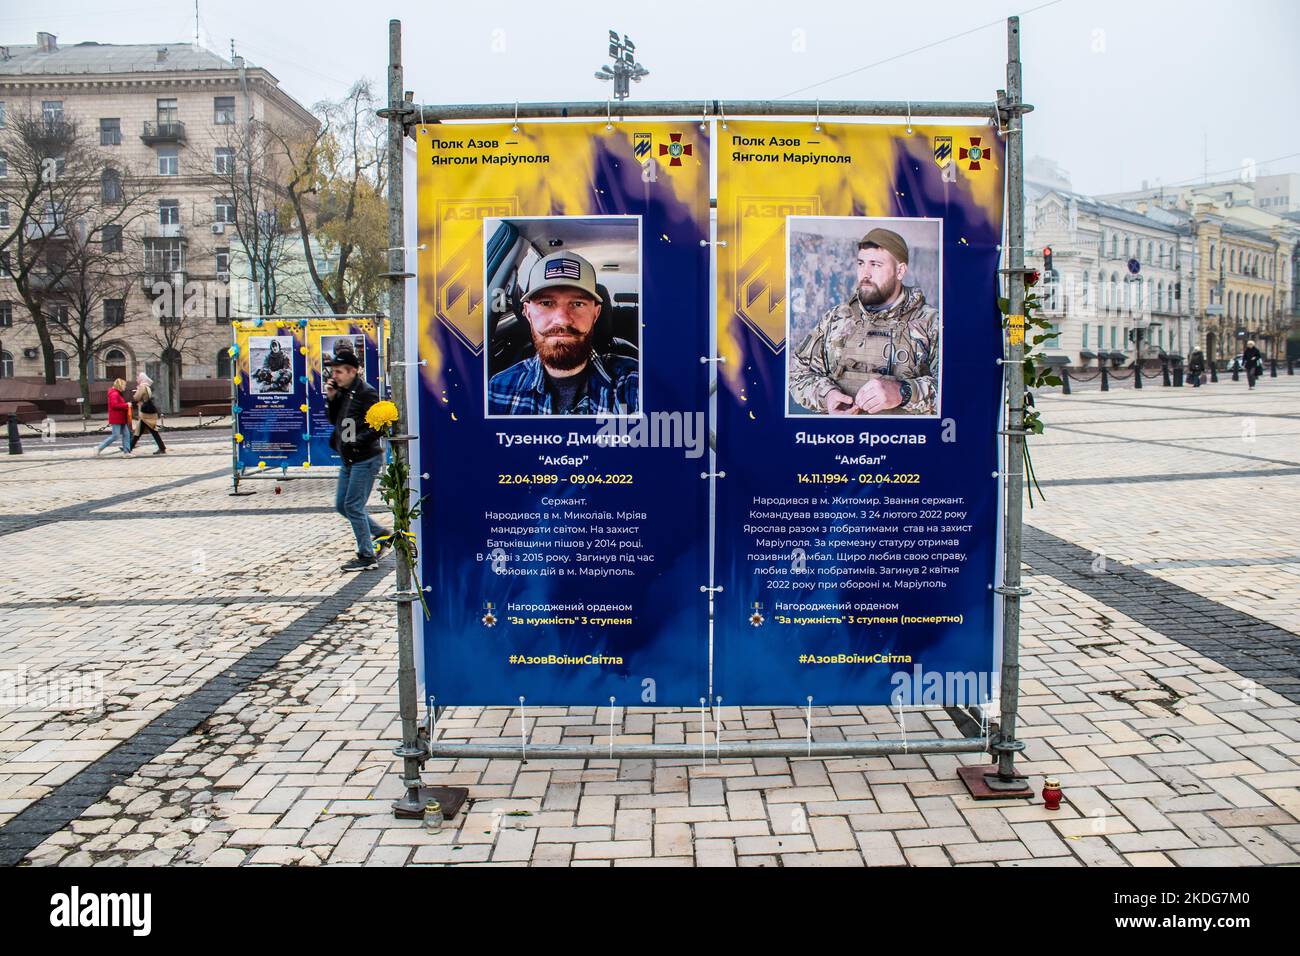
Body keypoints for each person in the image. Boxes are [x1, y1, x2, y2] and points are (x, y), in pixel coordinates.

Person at [790, 227, 939, 415]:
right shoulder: (837, 318)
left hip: (907, 441)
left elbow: (957, 390)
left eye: (875, 264)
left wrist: (904, 392)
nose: (865, 274)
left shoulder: (931, 323)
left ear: (900, 271)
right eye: (861, 263)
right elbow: (798, 374)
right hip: (840, 440)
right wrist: (826, 395)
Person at [488, 251, 638, 415]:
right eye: (546, 303)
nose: (562, 319)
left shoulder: (634, 382)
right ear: (528, 313)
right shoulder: (498, 389)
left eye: (578, 303)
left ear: (596, 314)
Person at [325, 350, 392, 572]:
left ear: (353, 371)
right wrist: (332, 399)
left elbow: (380, 426)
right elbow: (335, 420)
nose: (335, 375)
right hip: (348, 459)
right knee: (342, 505)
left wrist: (357, 442)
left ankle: (367, 555)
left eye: (339, 372)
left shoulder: (366, 392)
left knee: (353, 505)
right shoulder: (343, 391)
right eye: (334, 371)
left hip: (365, 458)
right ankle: (381, 533)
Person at [130, 372, 166, 454]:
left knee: (148, 432)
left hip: (146, 413)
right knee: (139, 432)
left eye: (138, 377)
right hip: (149, 412)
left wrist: (137, 391)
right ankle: (130, 447)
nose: (137, 379)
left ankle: (162, 448)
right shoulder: (148, 387)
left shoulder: (142, 387)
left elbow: (136, 397)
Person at [95, 379, 133, 456]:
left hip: (121, 418)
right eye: (124, 385)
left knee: (126, 434)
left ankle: (126, 452)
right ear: (120, 385)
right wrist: (126, 405)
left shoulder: (117, 393)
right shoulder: (114, 394)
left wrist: (126, 406)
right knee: (115, 436)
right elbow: (114, 405)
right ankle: (99, 447)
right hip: (117, 418)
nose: (125, 387)